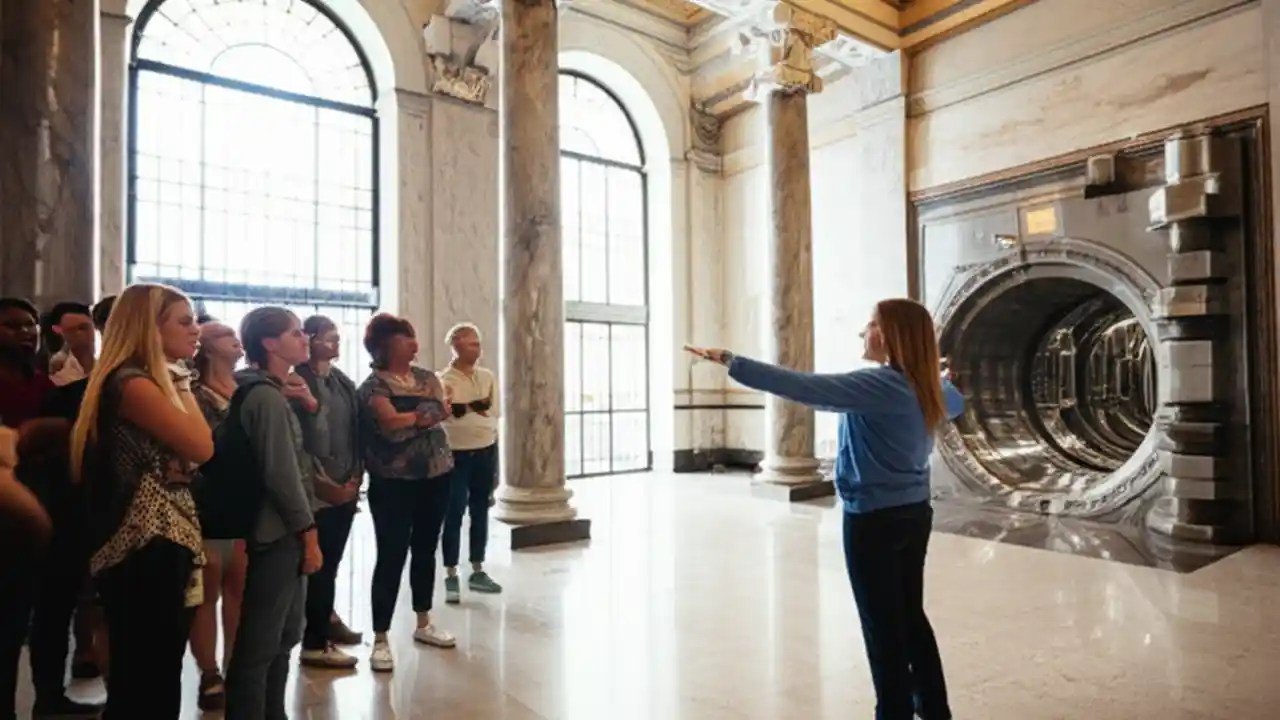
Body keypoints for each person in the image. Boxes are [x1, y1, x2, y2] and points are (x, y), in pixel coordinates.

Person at [685, 298, 964, 720]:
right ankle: (934, 710)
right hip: (914, 513)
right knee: (910, 618)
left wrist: (731, 360)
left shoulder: (879, 386)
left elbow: (803, 387)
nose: (862, 332)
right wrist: (942, 377)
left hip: (873, 519)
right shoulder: (928, 387)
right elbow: (956, 399)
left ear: (890, 337)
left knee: (882, 629)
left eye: (870, 325)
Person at [70, 283, 212, 719]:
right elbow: (201, 446)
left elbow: (192, 458)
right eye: (184, 322)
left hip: (161, 539)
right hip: (144, 542)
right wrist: (180, 378)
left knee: (157, 669)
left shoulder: (143, 380)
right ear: (148, 329)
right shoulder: (132, 383)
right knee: (147, 675)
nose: (197, 331)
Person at [224, 307, 323, 720]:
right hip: (275, 530)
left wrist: (307, 403)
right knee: (260, 642)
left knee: (285, 634)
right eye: (295, 333)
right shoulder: (263, 396)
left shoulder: (279, 392)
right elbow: (283, 475)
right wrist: (309, 533)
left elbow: (310, 453)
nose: (306, 339)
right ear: (268, 343)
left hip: (285, 529)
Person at [357, 313, 456, 673]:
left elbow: (439, 410)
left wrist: (413, 415)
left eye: (413, 336)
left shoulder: (428, 377)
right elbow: (388, 426)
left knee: (426, 549)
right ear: (385, 345)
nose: (413, 344)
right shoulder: (372, 387)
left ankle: (424, 621)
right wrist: (421, 416)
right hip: (393, 482)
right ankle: (381, 637)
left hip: (436, 473)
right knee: (392, 554)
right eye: (404, 337)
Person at [294, 316, 363, 669]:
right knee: (314, 566)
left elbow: (355, 432)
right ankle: (314, 639)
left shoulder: (342, 382)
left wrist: (353, 480)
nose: (335, 341)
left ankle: (325, 623)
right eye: (328, 337)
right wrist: (325, 486)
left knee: (331, 564)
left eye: (337, 337)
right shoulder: (296, 380)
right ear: (309, 340)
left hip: (346, 486)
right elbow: (303, 442)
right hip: (312, 491)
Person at [188, 321, 249, 711]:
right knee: (205, 593)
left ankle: (235, 666)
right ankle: (209, 672)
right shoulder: (192, 393)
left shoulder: (249, 389)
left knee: (241, 590)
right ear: (208, 347)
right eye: (227, 336)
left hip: (245, 501)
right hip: (205, 500)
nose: (236, 340)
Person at [438, 323, 502, 603]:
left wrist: (469, 407)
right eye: (472, 344)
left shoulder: (487, 376)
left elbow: (493, 410)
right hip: (457, 454)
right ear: (456, 346)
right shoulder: (443, 379)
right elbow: (450, 414)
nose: (479, 349)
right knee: (453, 513)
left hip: (486, 450)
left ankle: (477, 568)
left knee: (480, 511)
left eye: (479, 343)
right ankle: (451, 572)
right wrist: (475, 406)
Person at [47, 302, 96, 387]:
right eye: (70, 330)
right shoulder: (57, 373)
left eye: (83, 328)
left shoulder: (105, 366)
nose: (79, 334)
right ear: (58, 330)